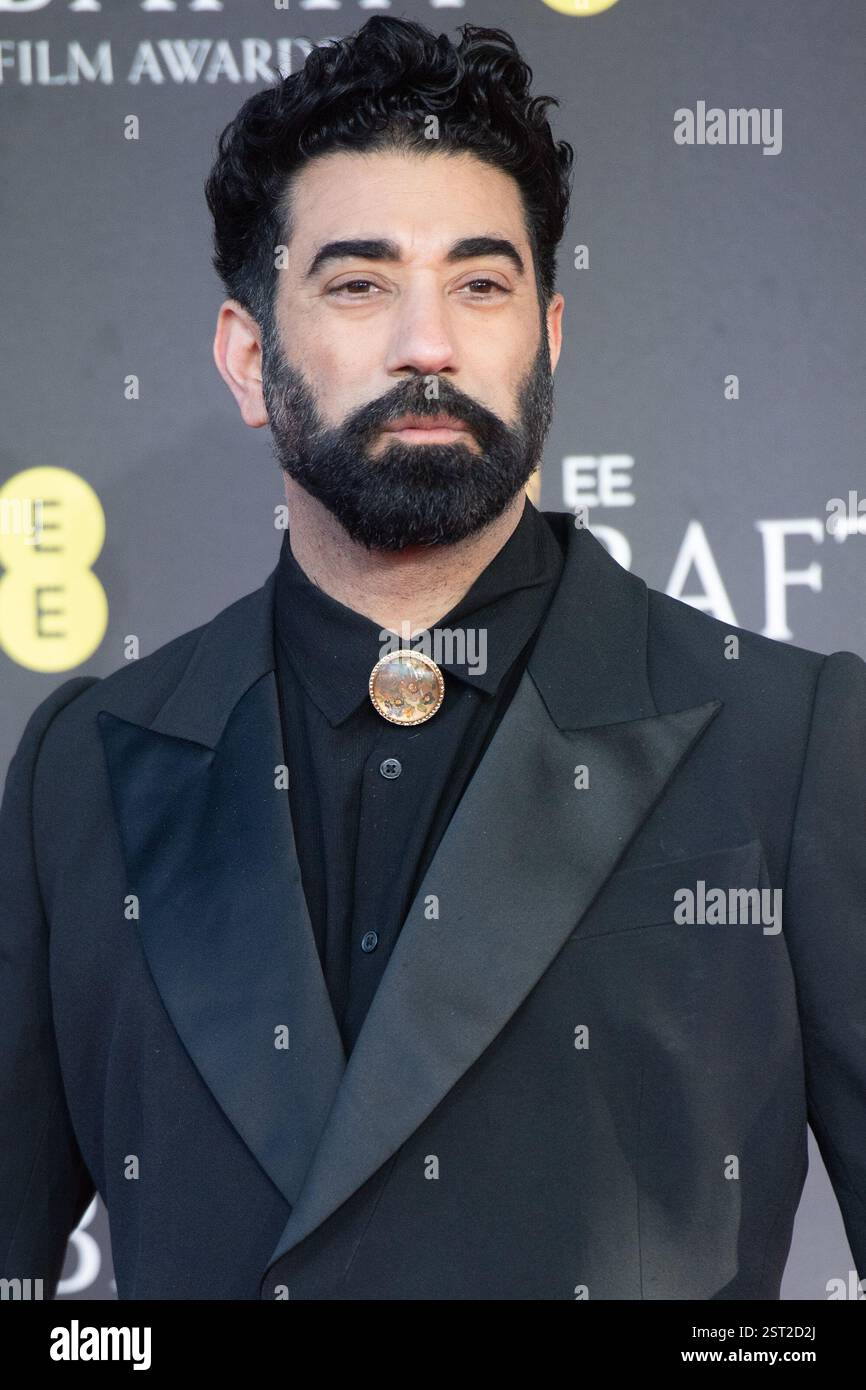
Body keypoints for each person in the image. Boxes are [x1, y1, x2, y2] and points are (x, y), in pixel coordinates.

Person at [1, 15, 864, 1302]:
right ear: (249, 360)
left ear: (548, 339)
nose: (429, 345)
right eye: (359, 284)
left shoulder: (788, 740)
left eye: (480, 282)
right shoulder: (90, 766)